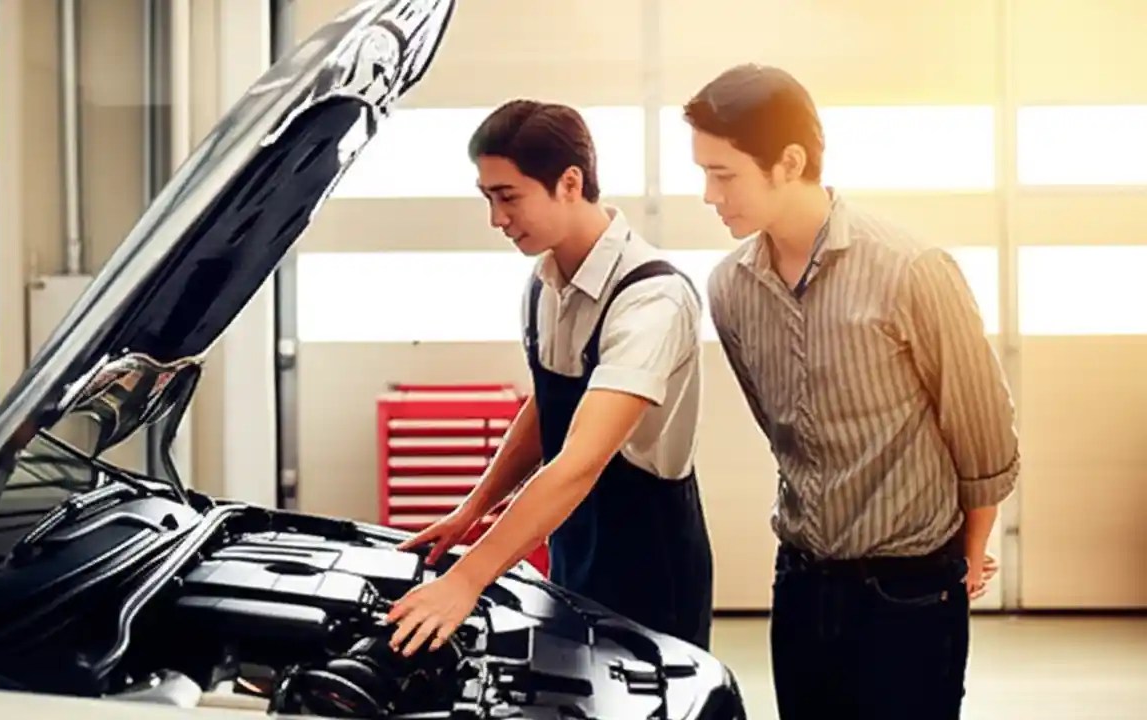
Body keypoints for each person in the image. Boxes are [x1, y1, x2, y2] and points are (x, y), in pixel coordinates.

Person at [684, 64, 1017, 719]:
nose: (707, 195)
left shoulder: (911, 269)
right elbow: (777, 427)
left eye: (723, 174)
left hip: (911, 591)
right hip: (803, 584)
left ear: (789, 162)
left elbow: (982, 431)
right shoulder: (729, 289)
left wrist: (968, 557)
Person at [383, 99, 715, 656]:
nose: (496, 219)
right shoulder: (543, 283)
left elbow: (580, 461)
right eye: (488, 198)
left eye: (508, 197)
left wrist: (468, 578)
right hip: (571, 542)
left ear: (569, 182)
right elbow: (549, 408)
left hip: (649, 560)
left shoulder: (651, 297)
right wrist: (472, 511)